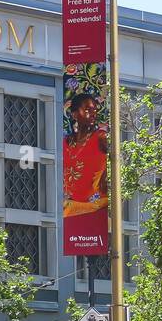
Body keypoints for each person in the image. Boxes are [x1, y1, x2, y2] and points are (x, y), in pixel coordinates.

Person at [61, 92, 110, 224]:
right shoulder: (65, 142)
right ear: (75, 114)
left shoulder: (101, 137)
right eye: (87, 110)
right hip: (66, 209)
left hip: (92, 208)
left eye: (95, 110)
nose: (93, 113)